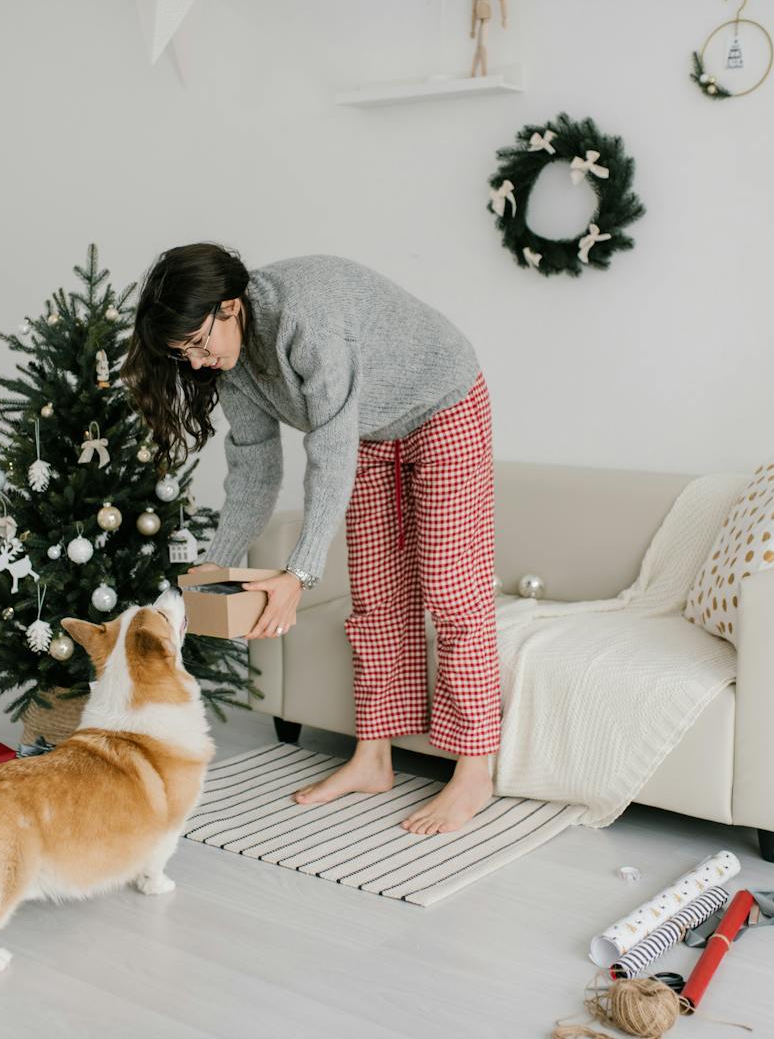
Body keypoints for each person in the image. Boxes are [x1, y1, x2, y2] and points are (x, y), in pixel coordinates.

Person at [121, 244, 500, 835]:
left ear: (230, 307)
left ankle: (474, 773)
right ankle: (373, 760)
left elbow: (328, 449)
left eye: (199, 344)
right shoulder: (231, 365)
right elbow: (254, 466)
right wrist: (213, 567)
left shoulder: (306, 319)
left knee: (452, 588)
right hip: (371, 426)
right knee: (375, 592)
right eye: (183, 354)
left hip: (443, 402)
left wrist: (298, 574)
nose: (196, 363)